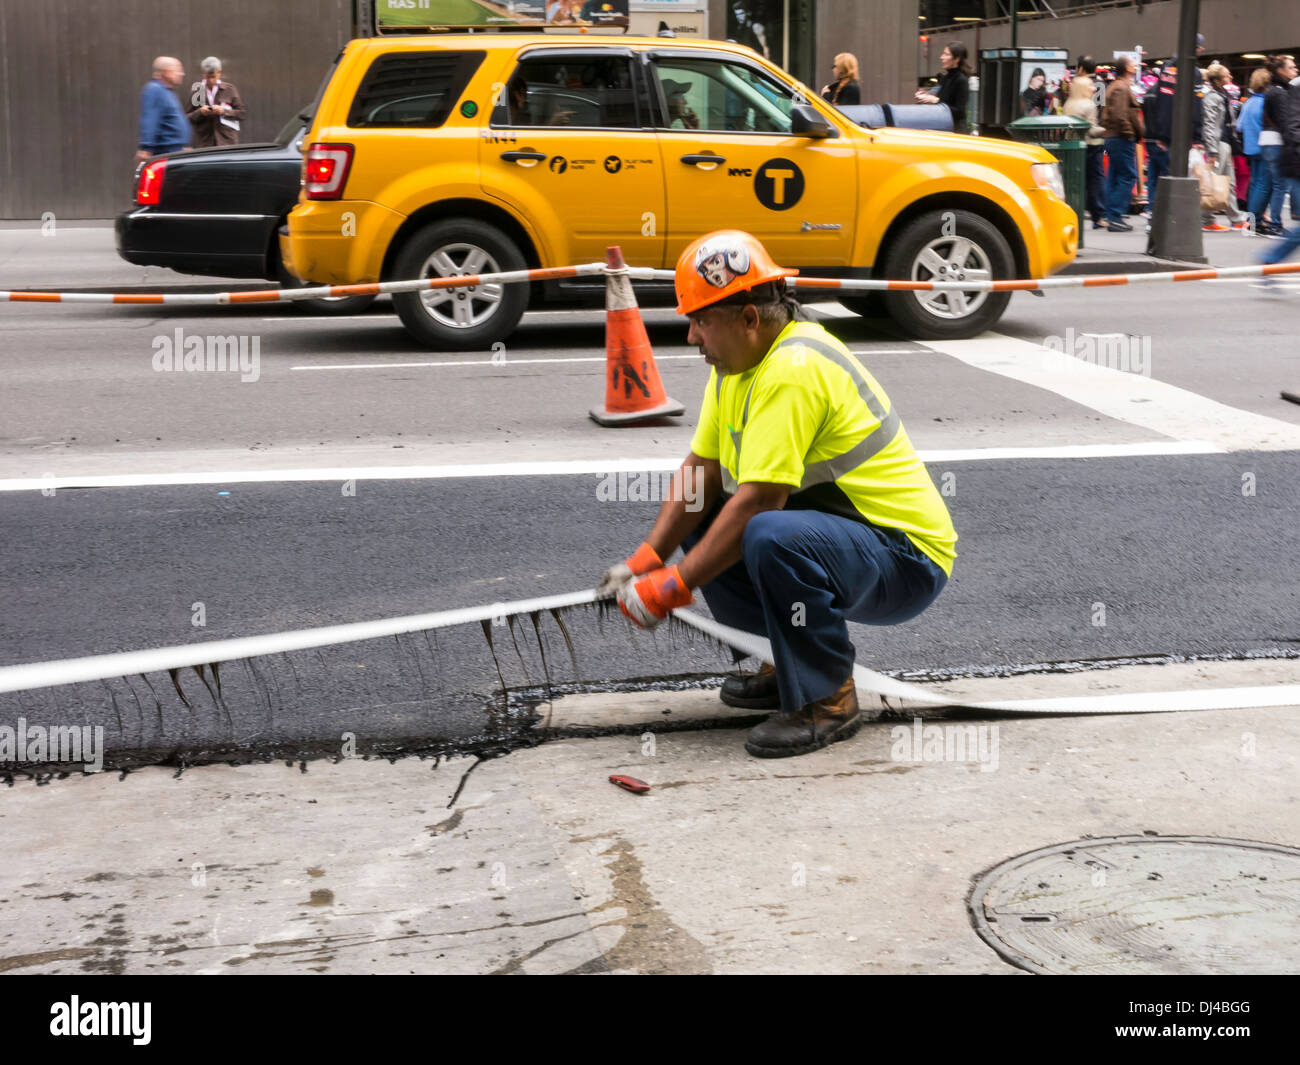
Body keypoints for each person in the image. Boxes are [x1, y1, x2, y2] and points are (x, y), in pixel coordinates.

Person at [598, 230, 956, 759]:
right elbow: (700, 470)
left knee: (765, 532)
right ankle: (781, 659)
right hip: (852, 540)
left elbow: (762, 499)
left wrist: (672, 586)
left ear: (748, 317)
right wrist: (647, 558)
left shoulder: (794, 368)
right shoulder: (737, 365)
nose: (693, 338)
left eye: (701, 321)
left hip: (906, 558)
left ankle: (827, 698)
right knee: (710, 512)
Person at [1142, 53, 1203, 223]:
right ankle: (1167, 216)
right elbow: (1196, 107)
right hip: (1173, 136)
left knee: (1155, 178)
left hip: (1156, 137)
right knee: (1170, 175)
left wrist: (1159, 134)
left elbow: (1162, 106)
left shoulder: (1164, 75)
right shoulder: (1193, 73)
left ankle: (1153, 214)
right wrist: (1197, 137)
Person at [1255, 65, 1300, 282]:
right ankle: (1270, 258)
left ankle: (1270, 258)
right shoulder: (1292, 90)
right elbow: (1292, 128)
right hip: (1294, 159)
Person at [1200, 63, 1249, 230]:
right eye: (1228, 75)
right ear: (1219, 79)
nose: (1231, 77)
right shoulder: (1213, 97)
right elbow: (1209, 124)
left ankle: (1235, 219)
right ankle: (1206, 220)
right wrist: (1212, 149)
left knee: (1229, 183)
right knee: (1213, 183)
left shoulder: (1222, 94)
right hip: (1218, 143)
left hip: (1224, 143)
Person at [1101, 56, 1143, 232]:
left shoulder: (1115, 86)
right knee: (1128, 176)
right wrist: (1130, 134)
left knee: (1116, 176)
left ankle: (1113, 216)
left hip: (1114, 137)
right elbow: (1120, 115)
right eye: (1133, 64)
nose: (1135, 67)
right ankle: (1115, 215)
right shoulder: (1121, 87)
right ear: (1127, 68)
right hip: (1120, 138)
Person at [1064, 67, 1107, 229]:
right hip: (1092, 145)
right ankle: (1098, 216)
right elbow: (1091, 128)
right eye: (1089, 86)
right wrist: (1105, 131)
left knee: (1075, 182)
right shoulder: (1089, 105)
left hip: (1073, 146)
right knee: (1095, 180)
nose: (1093, 88)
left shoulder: (1069, 103)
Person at [1240, 68, 1276, 233]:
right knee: (1264, 185)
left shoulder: (1248, 102)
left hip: (1250, 147)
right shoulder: (1266, 103)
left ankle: (1252, 220)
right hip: (1265, 147)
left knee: (1255, 183)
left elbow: (1239, 126)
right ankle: (1254, 222)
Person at [136, 56, 189, 165]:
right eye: (178, 70)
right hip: (165, 154)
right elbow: (150, 120)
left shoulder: (167, 92)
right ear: (167, 71)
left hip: (176, 153)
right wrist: (146, 147)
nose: (182, 74)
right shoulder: (154, 90)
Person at [184, 57, 245, 148]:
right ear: (203, 74)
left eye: (213, 77)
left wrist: (223, 111)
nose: (211, 81)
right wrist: (200, 112)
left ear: (219, 73)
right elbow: (187, 117)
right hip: (204, 143)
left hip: (227, 142)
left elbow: (242, 113)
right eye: (208, 77)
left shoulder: (229, 89)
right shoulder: (197, 91)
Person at [915, 42, 970, 133]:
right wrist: (925, 96)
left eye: (946, 54)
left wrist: (935, 100)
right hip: (943, 128)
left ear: (956, 59)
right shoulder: (946, 78)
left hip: (956, 132)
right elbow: (942, 101)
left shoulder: (961, 80)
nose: (941, 57)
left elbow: (959, 112)